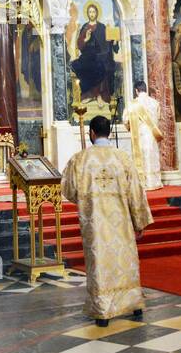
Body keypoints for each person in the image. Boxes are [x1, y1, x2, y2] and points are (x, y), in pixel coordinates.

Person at [61, 115, 153, 327]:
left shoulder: (80, 160)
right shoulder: (123, 159)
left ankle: (102, 311)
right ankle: (133, 304)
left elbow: (68, 189)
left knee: (100, 265)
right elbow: (136, 192)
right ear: (109, 132)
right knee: (124, 263)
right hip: (121, 224)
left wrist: (86, 200)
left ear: (91, 133)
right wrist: (139, 221)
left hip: (95, 225)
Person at [70, 1, 116, 103]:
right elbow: (80, 45)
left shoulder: (102, 27)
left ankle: (99, 95)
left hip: (101, 55)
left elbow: (109, 43)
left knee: (101, 65)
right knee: (78, 65)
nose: (92, 14)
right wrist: (86, 39)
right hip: (87, 56)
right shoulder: (85, 27)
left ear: (97, 13)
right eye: (90, 12)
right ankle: (90, 94)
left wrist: (114, 40)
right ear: (87, 13)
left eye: (93, 12)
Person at [124, 83, 163, 191]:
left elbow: (126, 120)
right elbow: (158, 119)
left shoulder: (132, 104)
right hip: (151, 136)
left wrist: (129, 127)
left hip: (139, 135)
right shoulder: (155, 103)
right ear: (146, 90)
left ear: (136, 90)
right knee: (152, 157)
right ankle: (154, 182)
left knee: (141, 158)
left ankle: (142, 183)